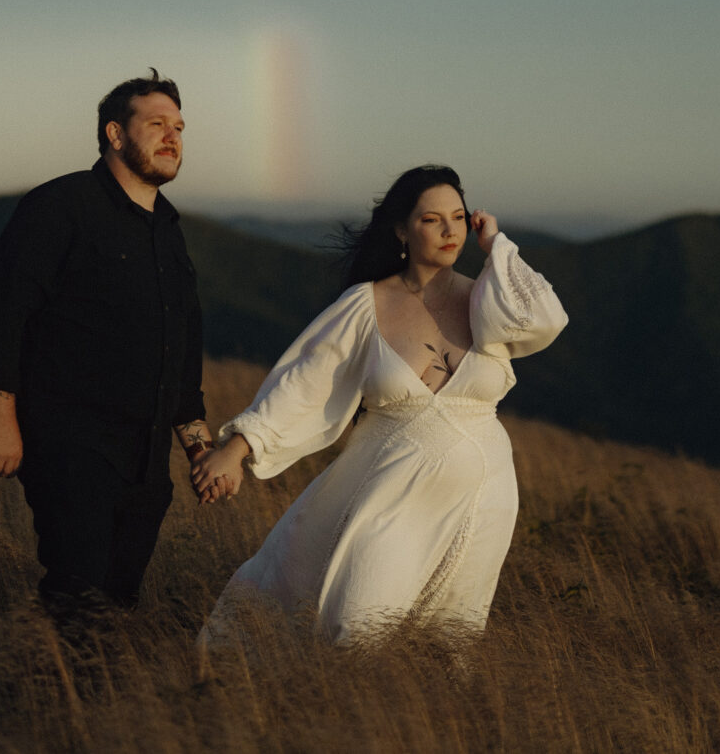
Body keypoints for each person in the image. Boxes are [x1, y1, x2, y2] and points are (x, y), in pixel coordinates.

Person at [192, 164, 568, 648]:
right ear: (401, 231)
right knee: (357, 625)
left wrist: (495, 243)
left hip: (484, 496)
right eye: (432, 219)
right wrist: (236, 448)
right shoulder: (365, 305)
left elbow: (546, 317)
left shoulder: (488, 301)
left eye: (458, 217)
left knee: (448, 638)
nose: (450, 230)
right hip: (392, 492)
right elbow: (305, 382)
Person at [0, 71, 214, 625]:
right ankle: (51, 679)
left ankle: (82, 680)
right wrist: (2, 420)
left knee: (119, 599)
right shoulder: (61, 205)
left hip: (146, 460)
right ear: (115, 134)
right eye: (157, 124)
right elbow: (2, 310)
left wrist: (198, 448)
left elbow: (181, 350)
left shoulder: (168, 231)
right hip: (70, 443)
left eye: (179, 128)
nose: (172, 137)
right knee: (78, 592)